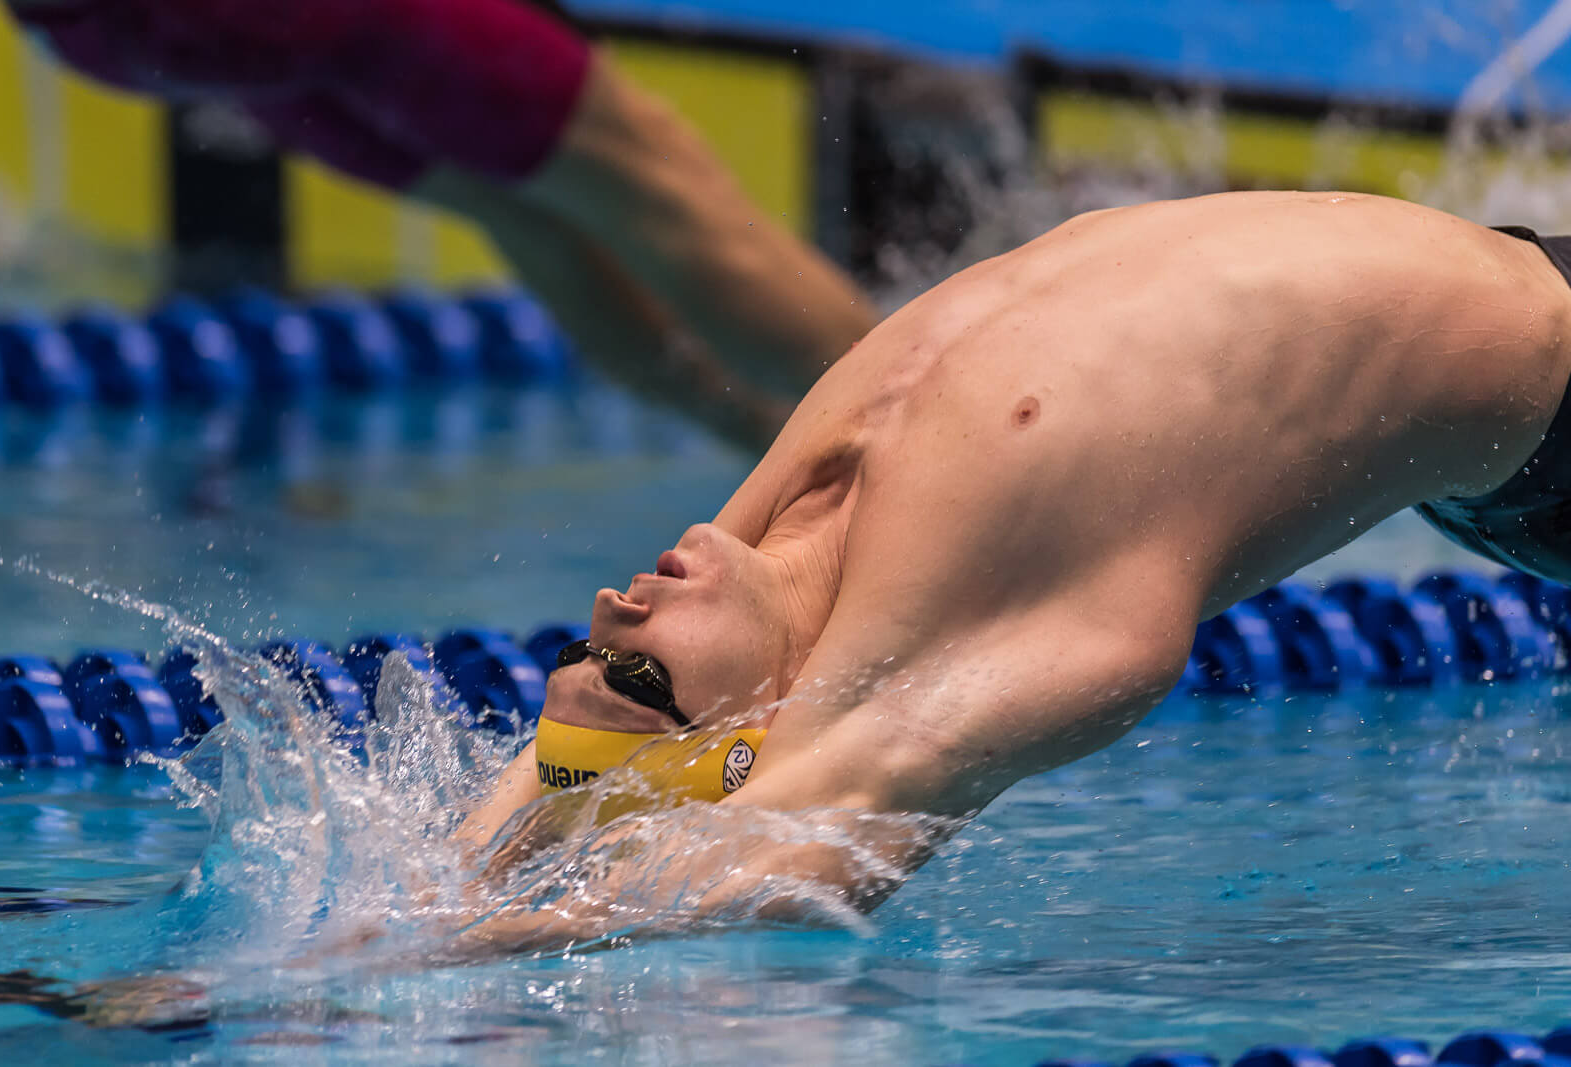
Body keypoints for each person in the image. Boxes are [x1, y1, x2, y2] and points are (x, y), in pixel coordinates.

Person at [442, 189, 1571, 954]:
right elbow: (792, 840)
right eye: (640, 675)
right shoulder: (987, 619)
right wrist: (421, 980)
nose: (611, 606)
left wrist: (416, 914)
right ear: (752, 730)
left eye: (591, 648)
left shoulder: (803, 502)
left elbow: (554, 776)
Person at [1, 0, 879, 448]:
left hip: (120, 34)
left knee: (526, 211)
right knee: (658, 183)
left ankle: (786, 466)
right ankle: (931, 455)